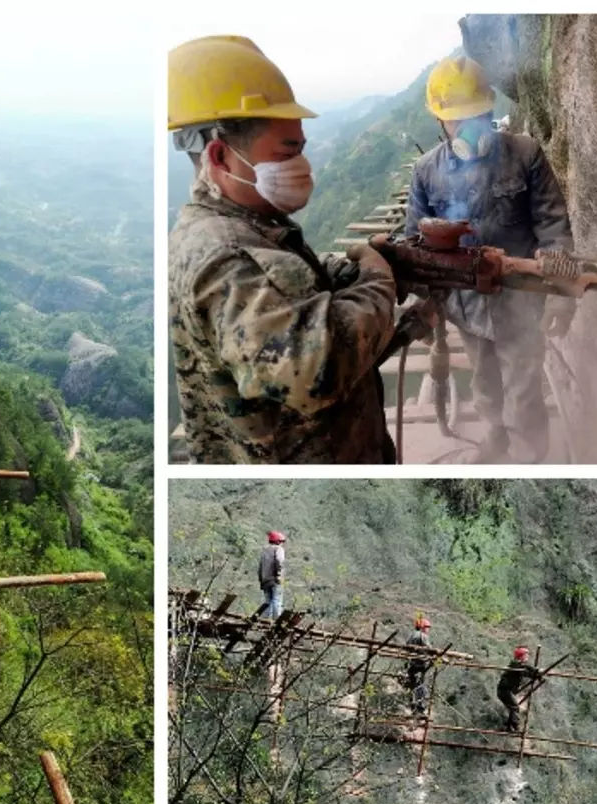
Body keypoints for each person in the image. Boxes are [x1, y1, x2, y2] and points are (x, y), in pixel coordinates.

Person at [168, 35, 406, 464]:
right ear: (221, 157)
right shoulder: (225, 256)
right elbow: (316, 368)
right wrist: (377, 280)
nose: (302, 165)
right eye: (287, 151)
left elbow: (287, 280)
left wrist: (347, 271)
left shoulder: (248, 225)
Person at [406, 55, 575, 464]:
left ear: (491, 110)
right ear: (440, 123)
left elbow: (552, 226)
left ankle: (529, 459)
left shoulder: (525, 154)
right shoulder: (426, 172)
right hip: (467, 304)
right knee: (485, 382)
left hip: (521, 297)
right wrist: (423, 302)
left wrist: (562, 292)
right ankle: (496, 439)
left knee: (523, 385)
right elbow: (412, 243)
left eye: (477, 117)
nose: (468, 130)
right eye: (456, 121)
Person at [497, 646, 543, 732]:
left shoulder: (520, 668)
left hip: (507, 691)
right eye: (525, 655)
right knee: (515, 707)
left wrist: (536, 675)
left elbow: (526, 673)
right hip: (504, 691)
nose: (527, 657)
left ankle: (509, 727)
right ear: (521, 656)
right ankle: (516, 727)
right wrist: (536, 670)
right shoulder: (515, 664)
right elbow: (524, 668)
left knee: (512, 708)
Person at [405, 614, 432, 715]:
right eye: (427, 627)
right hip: (420, 664)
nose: (428, 630)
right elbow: (429, 649)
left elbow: (407, 647)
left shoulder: (411, 635)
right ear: (422, 627)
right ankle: (421, 708)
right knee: (421, 686)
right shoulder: (422, 636)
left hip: (411, 664)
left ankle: (413, 707)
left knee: (413, 685)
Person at [258, 530, 286, 620]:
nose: (282, 544)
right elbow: (279, 561)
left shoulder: (264, 551)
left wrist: (261, 581)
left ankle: (265, 621)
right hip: (274, 580)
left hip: (265, 580)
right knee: (277, 601)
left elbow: (260, 567)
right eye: (281, 541)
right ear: (278, 541)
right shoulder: (278, 549)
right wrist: (278, 575)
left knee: (268, 602)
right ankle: (277, 621)